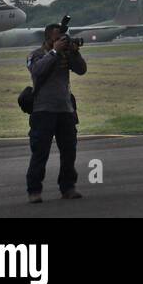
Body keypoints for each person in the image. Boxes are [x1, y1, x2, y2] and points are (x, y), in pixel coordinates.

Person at [25, 23, 88, 203]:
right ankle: (34, 190)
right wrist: (53, 52)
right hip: (43, 110)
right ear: (48, 38)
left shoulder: (66, 54)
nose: (60, 41)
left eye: (62, 38)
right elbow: (37, 71)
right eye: (57, 38)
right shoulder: (35, 55)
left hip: (65, 109)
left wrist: (74, 52)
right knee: (40, 152)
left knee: (69, 151)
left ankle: (68, 187)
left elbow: (81, 70)